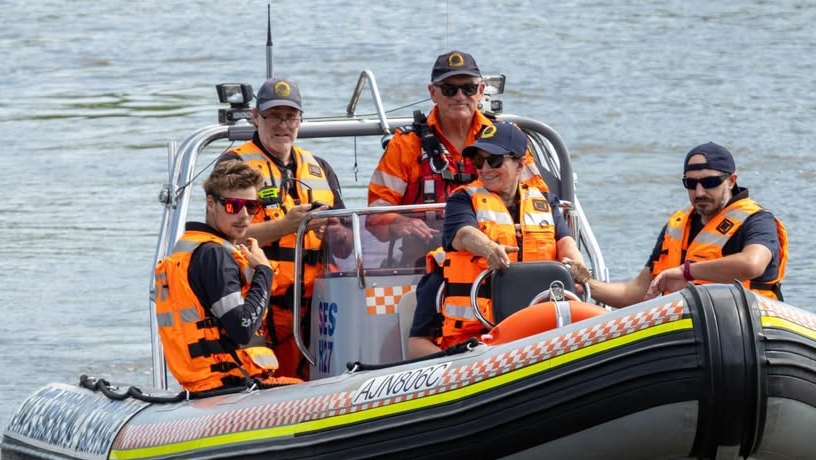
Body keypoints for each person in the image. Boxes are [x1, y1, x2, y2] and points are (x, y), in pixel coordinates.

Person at [407, 122, 590, 358]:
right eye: (479, 161)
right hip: (475, 345)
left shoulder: (546, 203)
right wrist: (490, 249)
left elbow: (565, 241)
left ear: (520, 164)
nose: (485, 169)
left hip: (540, 333)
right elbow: (464, 234)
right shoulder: (462, 201)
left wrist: (576, 263)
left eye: (494, 161)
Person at [219, 77, 348, 379]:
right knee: (264, 383)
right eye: (274, 116)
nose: (283, 125)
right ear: (255, 117)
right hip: (256, 304)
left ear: (301, 119)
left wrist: (336, 231)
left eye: (290, 117)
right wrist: (286, 226)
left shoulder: (320, 167)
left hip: (317, 307)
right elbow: (222, 237)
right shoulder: (234, 165)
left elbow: (346, 238)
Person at [367, 51, 548, 264]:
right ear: (432, 92)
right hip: (422, 266)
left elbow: (538, 201)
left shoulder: (507, 138)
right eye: (449, 90)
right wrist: (398, 222)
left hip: (503, 262)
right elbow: (375, 214)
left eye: (468, 88)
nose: (460, 97)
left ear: (481, 91)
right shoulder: (405, 144)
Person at [154, 161, 300, 393]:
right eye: (234, 205)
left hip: (210, 384)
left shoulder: (192, 249)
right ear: (211, 204)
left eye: (252, 207)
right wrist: (264, 272)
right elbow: (242, 327)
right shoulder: (214, 255)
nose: (244, 216)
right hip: (229, 385)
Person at [588, 142, 788, 308]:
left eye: (710, 182)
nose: (699, 192)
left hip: (748, 325)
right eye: (690, 184)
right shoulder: (677, 226)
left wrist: (686, 272)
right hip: (689, 331)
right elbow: (638, 292)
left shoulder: (756, 220)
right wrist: (586, 285)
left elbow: (751, 264)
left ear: (731, 181)